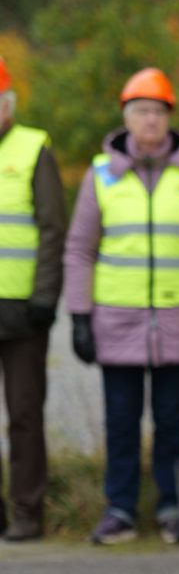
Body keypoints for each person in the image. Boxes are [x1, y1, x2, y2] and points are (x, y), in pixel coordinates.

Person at [64, 67, 179, 544]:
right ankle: (119, 507)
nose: (150, 121)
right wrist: (79, 316)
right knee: (120, 421)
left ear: (169, 118)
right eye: (141, 111)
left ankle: (171, 505)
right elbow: (79, 249)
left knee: (172, 421)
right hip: (117, 322)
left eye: (158, 111)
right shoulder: (100, 176)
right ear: (126, 118)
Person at [0, 56, 66, 541]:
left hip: (22, 310)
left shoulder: (34, 148)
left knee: (24, 415)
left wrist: (45, 297)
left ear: (10, 105)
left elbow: (52, 229)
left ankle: (27, 511)